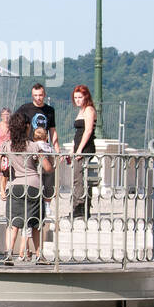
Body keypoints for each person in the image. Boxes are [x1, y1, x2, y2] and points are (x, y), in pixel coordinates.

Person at [4, 112, 53, 264]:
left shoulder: (7, 145)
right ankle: (39, 255)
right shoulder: (33, 146)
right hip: (33, 185)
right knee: (35, 223)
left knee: (13, 224)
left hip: (15, 186)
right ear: (26, 127)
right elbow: (48, 168)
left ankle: (9, 254)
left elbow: (1, 166)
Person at [69, 84, 97, 217]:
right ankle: (79, 207)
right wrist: (73, 149)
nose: (77, 100)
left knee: (80, 177)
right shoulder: (81, 111)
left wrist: (80, 149)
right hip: (78, 147)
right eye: (75, 97)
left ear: (86, 96)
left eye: (80, 97)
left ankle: (80, 207)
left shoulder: (89, 110)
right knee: (77, 177)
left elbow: (88, 130)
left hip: (85, 148)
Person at [16, 83, 58, 151]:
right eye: (35, 95)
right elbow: (15, 124)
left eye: (40, 95)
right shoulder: (24, 108)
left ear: (44, 95)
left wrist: (57, 150)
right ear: (32, 95)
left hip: (43, 147)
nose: (38, 98)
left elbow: (52, 130)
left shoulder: (50, 110)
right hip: (29, 147)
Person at [0, 107, 12, 202]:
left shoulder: (11, 126)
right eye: (4, 115)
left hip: (8, 151)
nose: (6, 117)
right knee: (0, 170)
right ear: (1, 116)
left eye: (7, 115)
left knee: (6, 170)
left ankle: (3, 189)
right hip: (0, 151)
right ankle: (2, 190)